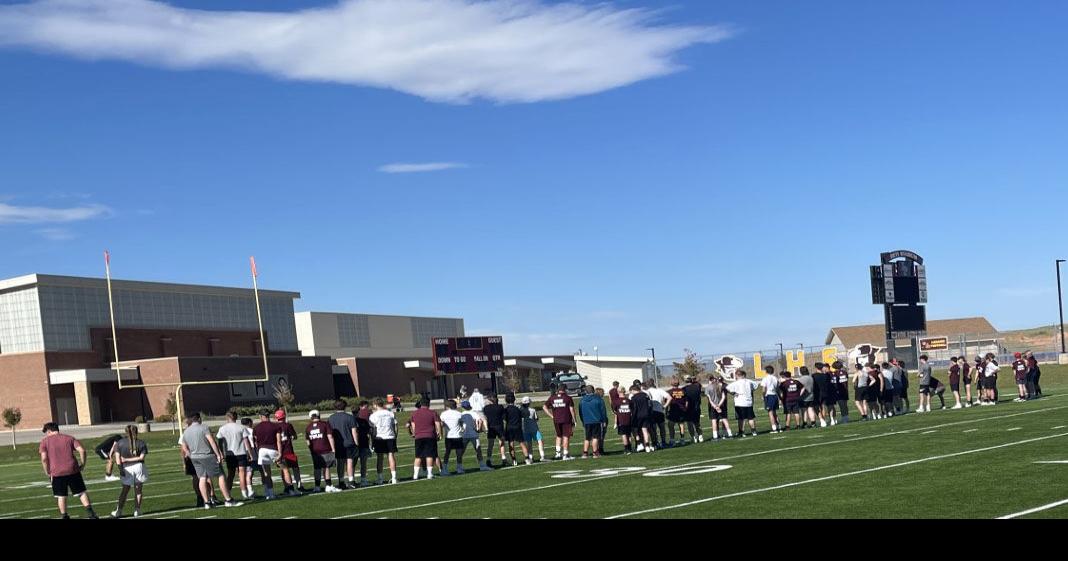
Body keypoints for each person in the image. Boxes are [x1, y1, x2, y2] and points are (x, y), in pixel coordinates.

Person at [180, 413, 240, 509]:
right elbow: (211, 441)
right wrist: (218, 454)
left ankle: (207, 502)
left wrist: (190, 454)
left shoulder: (186, 431)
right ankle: (228, 499)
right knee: (220, 475)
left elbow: (184, 446)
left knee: (202, 478)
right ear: (199, 419)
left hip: (195, 457)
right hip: (207, 455)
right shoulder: (204, 427)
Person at [41, 422, 98, 519]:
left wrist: (47, 472)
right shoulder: (69, 438)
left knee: (61, 495)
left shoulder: (45, 441)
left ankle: (64, 515)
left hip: (56, 472)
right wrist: (83, 464)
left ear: (49, 431)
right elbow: (82, 450)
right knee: (81, 492)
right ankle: (91, 513)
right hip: (73, 469)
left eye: (46, 432)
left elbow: (44, 459)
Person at [109, 424, 148, 518]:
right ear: (137, 432)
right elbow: (141, 458)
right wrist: (129, 460)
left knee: (125, 491)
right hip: (139, 467)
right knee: (138, 490)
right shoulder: (141, 443)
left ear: (125, 432)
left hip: (126, 468)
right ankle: (137, 510)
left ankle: (119, 511)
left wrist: (120, 468)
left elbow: (117, 458)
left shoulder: (119, 443)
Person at [216, 411, 253, 500]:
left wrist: (221, 453)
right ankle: (244, 493)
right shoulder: (241, 427)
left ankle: (228, 494)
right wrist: (250, 453)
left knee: (231, 474)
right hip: (241, 453)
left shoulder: (222, 428)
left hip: (230, 454)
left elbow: (220, 443)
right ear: (236, 418)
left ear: (227, 418)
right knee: (242, 474)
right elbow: (246, 441)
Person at [306, 410, 340, 493]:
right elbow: (330, 436)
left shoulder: (308, 427)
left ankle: (317, 486)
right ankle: (328, 485)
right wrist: (333, 449)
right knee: (326, 467)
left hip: (315, 450)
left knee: (317, 468)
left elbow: (307, 441)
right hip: (325, 448)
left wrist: (311, 449)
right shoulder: (324, 424)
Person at [252, 410, 283, 500]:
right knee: (284, 469)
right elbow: (278, 441)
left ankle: (269, 493)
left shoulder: (256, 428)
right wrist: (280, 453)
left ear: (261, 416)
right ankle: (290, 488)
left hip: (262, 450)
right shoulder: (275, 426)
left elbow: (256, 443)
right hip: (273, 449)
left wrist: (258, 452)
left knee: (266, 474)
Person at [328, 401, 359, 490]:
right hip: (349, 443)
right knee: (349, 462)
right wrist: (356, 443)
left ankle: (341, 481)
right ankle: (351, 481)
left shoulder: (331, 418)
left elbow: (330, 433)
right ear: (345, 407)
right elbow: (354, 431)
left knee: (340, 463)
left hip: (338, 444)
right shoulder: (349, 417)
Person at [408, 398, 442, 479]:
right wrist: (440, 434)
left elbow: (413, 426)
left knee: (418, 456)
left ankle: (415, 475)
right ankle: (429, 474)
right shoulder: (433, 412)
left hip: (419, 436)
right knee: (429, 455)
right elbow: (438, 424)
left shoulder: (414, 413)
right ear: (428, 404)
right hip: (430, 435)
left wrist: (415, 434)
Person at [274, 410, 305, 496]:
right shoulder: (288, 425)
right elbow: (294, 436)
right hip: (289, 450)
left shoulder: (274, 427)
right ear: (284, 416)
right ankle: (299, 485)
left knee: (283, 470)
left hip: (278, 452)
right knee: (295, 468)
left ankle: (286, 487)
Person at [543, 384, 577, 460]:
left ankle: (558, 453)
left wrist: (551, 416)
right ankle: (565, 454)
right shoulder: (568, 398)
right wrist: (574, 420)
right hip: (566, 419)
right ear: (565, 389)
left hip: (556, 420)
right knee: (566, 436)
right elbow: (571, 409)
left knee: (558, 436)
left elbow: (544, 407)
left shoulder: (552, 397)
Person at [369, 398, 399, 484]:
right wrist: (395, 435)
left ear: (375, 405)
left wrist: (372, 439)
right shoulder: (390, 413)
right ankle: (394, 478)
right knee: (391, 456)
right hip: (390, 436)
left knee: (380, 458)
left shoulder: (373, 415)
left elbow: (373, 429)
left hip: (379, 438)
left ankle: (380, 478)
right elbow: (395, 426)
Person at [726, 370, 760, 437]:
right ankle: (754, 431)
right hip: (749, 402)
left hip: (740, 402)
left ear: (737, 375)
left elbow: (727, 388)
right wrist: (750, 390)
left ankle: (741, 432)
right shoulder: (749, 381)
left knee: (741, 418)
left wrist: (733, 393)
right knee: (750, 418)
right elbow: (756, 385)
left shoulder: (736, 383)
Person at [460, 401, 492, 471]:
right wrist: (479, 429)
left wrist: (461, 429)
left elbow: (459, 423)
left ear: (463, 407)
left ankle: (459, 466)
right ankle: (482, 465)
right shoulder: (473, 413)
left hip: (464, 435)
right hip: (473, 434)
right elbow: (480, 421)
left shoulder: (462, 414)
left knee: (461, 451)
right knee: (478, 450)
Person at [579, 385, 607, 458]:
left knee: (587, 438)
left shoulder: (582, 400)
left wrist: (583, 420)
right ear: (593, 391)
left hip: (587, 421)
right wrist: (604, 420)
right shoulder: (598, 399)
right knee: (595, 437)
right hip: (596, 421)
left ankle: (585, 453)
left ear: (586, 391)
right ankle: (595, 452)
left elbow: (580, 412)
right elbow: (603, 411)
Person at [504, 393, 532, 465]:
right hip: (517, 427)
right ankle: (527, 459)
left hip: (509, 428)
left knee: (511, 444)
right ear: (514, 400)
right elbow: (525, 415)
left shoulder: (506, 409)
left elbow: (504, 418)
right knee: (522, 443)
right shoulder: (518, 409)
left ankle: (514, 460)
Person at [440, 399, 466, 474]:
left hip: (448, 436)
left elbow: (441, 424)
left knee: (447, 453)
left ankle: (444, 469)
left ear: (448, 406)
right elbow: (463, 423)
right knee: (459, 453)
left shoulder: (443, 414)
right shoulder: (459, 413)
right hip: (458, 436)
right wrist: (463, 430)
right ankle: (459, 468)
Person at [482, 394, 507, 467]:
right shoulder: (500, 407)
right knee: (501, 443)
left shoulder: (486, 408)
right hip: (499, 426)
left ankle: (488, 459)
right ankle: (503, 458)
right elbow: (503, 417)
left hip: (491, 427)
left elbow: (486, 417)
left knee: (490, 445)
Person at [628, 384, 654, 452]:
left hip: (638, 416)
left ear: (633, 390)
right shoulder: (645, 395)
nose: (631, 393)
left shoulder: (634, 398)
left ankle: (640, 444)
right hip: (646, 415)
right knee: (645, 430)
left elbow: (635, 408)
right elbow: (650, 405)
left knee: (635, 430)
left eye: (631, 391)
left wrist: (633, 417)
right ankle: (647, 446)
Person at [644, 380, 670, 448]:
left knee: (653, 429)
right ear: (654, 384)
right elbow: (669, 398)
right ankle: (663, 442)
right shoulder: (659, 390)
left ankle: (655, 443)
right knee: (662, 428)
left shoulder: (646, 392)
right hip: (659, 411)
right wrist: (664, 406)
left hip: (651, 412)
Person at [520, 397, 546, 462]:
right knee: (539, 441)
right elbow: (536, 419)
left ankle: (530, 457)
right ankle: (542, 456)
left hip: (525, 429)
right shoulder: (532, 410)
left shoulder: (520, 410)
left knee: (529, 443)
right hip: (534, 429)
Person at [705, 375, 732, 439]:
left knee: (714, 420)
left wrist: (715, 406)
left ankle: (715, 436)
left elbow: (710, 399)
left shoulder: (708, 387)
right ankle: (730, 434)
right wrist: (719, 405)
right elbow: (723, 397)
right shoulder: (720, 386)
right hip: (721, 405)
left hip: (713, 406)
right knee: (724, 419)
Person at [665, 378, 689, 447]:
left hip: (673, 410)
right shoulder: (683, 391)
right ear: (678, 384)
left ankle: (672, 440)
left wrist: (666, 411)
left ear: (671, 383)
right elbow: (687, 401)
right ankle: (682, 439)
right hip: (682, 410)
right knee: (681, 425)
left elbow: (667, 402)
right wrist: (685, 408)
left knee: (671, 425)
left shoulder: (669, 392)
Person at [240, 418, 259, 496]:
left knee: (246, 472)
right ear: (249, 423)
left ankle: (247, 491)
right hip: (251, 452)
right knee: (250, 472)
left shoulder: (240, 430)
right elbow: (255, 442)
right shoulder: (251, 431)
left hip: (242, 452)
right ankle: (250, 491)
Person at [683, 375, 705, 443]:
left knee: (690, 424)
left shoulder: (684, 389)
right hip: (696, 408)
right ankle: (700, 436)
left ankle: (694, 437)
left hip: (688, 409)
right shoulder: (697, 387)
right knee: (697, 423)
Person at [760, 366, 781, 433]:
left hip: (769, 396)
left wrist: (763, 396)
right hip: (775, 395)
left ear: (766, 371)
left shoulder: (765, 378)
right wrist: (779, 397)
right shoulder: (775, 378)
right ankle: (779, 426)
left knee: (770, 413)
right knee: (774, 412)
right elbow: (777, 389)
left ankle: (774, 428)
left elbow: (764, 389)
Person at [614, 389, 634, 454]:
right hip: (629, 420)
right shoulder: (629, 401)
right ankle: (630, 448)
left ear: (618, 392)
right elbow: (632, 410)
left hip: (621, 421)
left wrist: (615, 422)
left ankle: (626, 449)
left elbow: (615, 413)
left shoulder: (616, 401)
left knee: (624, 435)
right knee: (629, 434)